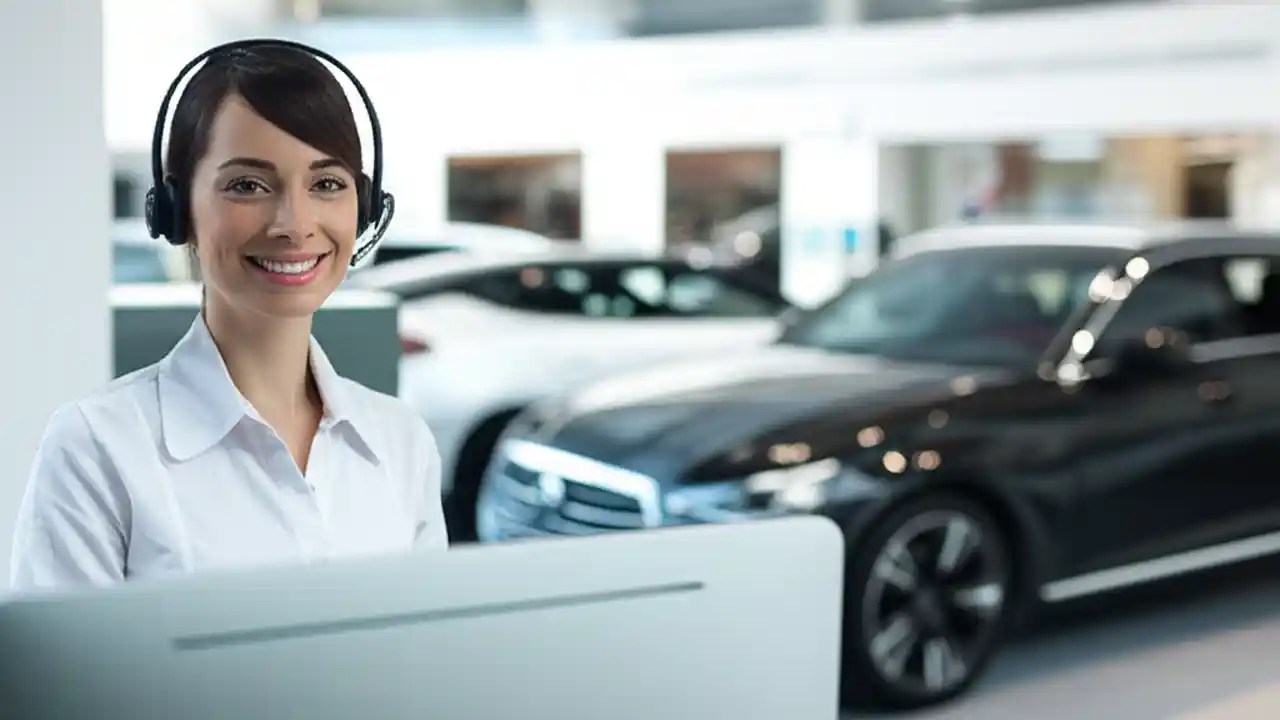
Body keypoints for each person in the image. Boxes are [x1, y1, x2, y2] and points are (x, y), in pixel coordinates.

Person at [9, 40, 448, 593]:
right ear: (176, 210)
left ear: (363, 209)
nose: (295, 222)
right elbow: (59, 679)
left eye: (327, 184)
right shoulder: (97, 447)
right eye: (247, 185)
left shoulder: (401, 443)